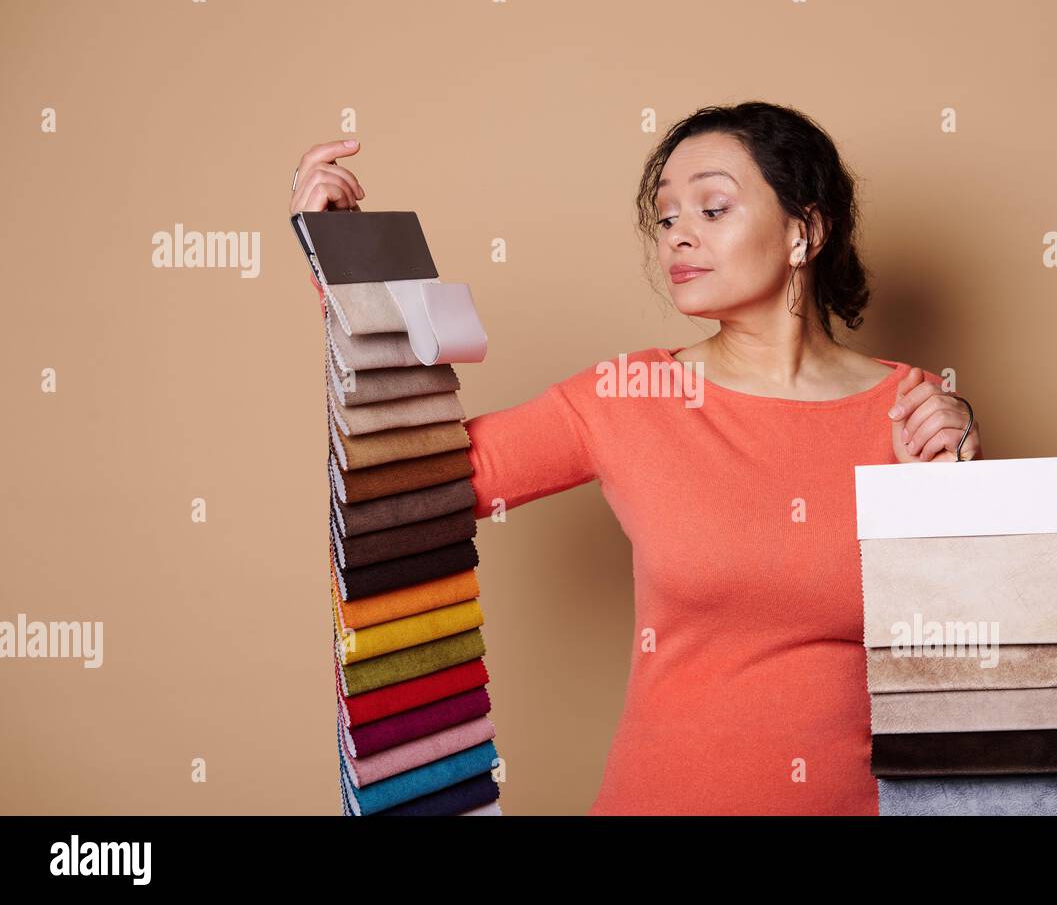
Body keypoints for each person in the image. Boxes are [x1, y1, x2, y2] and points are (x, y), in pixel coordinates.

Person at [290, 101, 983, 815]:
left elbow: (975, 660)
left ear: (804, 231)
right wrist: (347, 267)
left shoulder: (912, 409)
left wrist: (963, 485)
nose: (679, 236)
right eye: (667, 218)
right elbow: (413, 473)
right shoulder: (627, 397)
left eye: (712, 209)